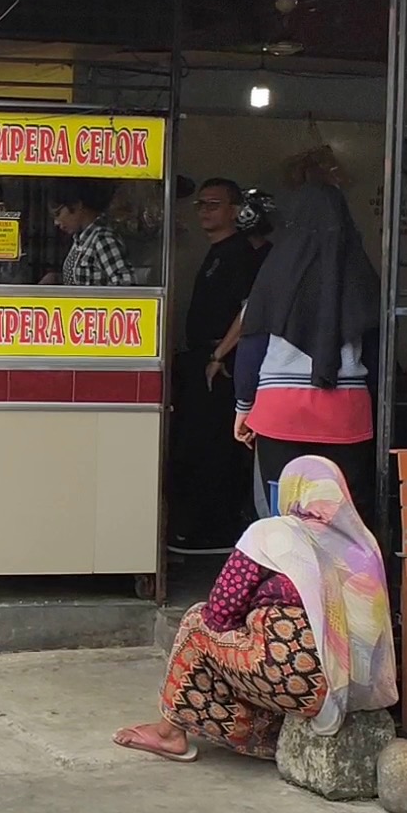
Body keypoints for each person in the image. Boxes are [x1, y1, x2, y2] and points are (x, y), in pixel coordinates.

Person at [115, 455, 396, 761]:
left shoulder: (274, 533)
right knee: (245, 642)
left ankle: (170, 733)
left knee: (197, 624)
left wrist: (252, 612)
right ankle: (269, 733)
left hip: (301, 681)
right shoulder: (362, 547)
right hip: (353, 687)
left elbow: (219, 612)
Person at [233, 182, 383, 531]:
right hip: (345, 413)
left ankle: (291, 583)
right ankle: (345, 585)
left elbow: (252, 343)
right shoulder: (361, 274)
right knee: (346, 516)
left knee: (284, 512)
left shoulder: (274, 271)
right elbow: (377, 356)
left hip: (279, 411)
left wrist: (243, 406)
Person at [169, 178, 263, 551]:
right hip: (202, 358)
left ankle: (219, 529)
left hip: (221, 364)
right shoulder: (216, 252)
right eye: (201, 204)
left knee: (217, 449)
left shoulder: (242, 254)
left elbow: (249, 309)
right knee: (196, 446)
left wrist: (220, 355)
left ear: (236, 210)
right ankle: (198, 524)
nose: (205, 211)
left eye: (214, 204)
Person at [41, 179, 134, 287]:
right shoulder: (81, 240)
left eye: (58, 213)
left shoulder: (102, 240)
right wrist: (58, 278)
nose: (56, 222)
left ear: (76, 205)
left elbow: (126, 286)